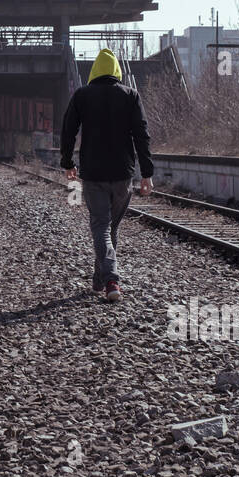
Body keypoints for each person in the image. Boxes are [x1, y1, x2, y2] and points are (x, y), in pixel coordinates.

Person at [60, 48, 154, 302]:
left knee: (102, 226)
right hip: (123, 173)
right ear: (116, 71)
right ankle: (100, 280)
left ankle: (110, 279)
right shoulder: (131, 95)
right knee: (108, 227)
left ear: (94, 72)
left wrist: (67, 162)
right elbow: (142, 135)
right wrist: (147, 173)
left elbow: (68, 130)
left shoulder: (82, 95)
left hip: (93, 173)